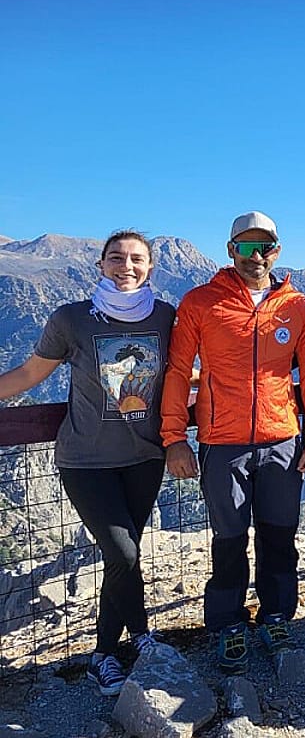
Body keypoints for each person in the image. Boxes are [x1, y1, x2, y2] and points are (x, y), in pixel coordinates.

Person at [0, 230, 174, 695]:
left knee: (123, 563)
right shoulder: (72, 319)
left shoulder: (165, 317)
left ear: (150, 267)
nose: (126, 266)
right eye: (116, 258)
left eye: (137, 259)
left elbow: (182, 371)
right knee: (124, 553)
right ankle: (140, 638)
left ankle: (104, 656)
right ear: (100, 265)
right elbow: (30, 374)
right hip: (86, 460)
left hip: (144, 456)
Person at [161, 211, 305, 674]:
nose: (257, 256)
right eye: (247, 246)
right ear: (230, 248)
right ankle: (226, 624)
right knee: (229, 539)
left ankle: (277, 616)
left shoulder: (297, 306)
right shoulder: (200, 303)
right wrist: (174, 437)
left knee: (280, 536)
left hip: (282, 439)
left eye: (266, 247)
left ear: (277, 250)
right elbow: (177, 373)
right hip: (222, 440)